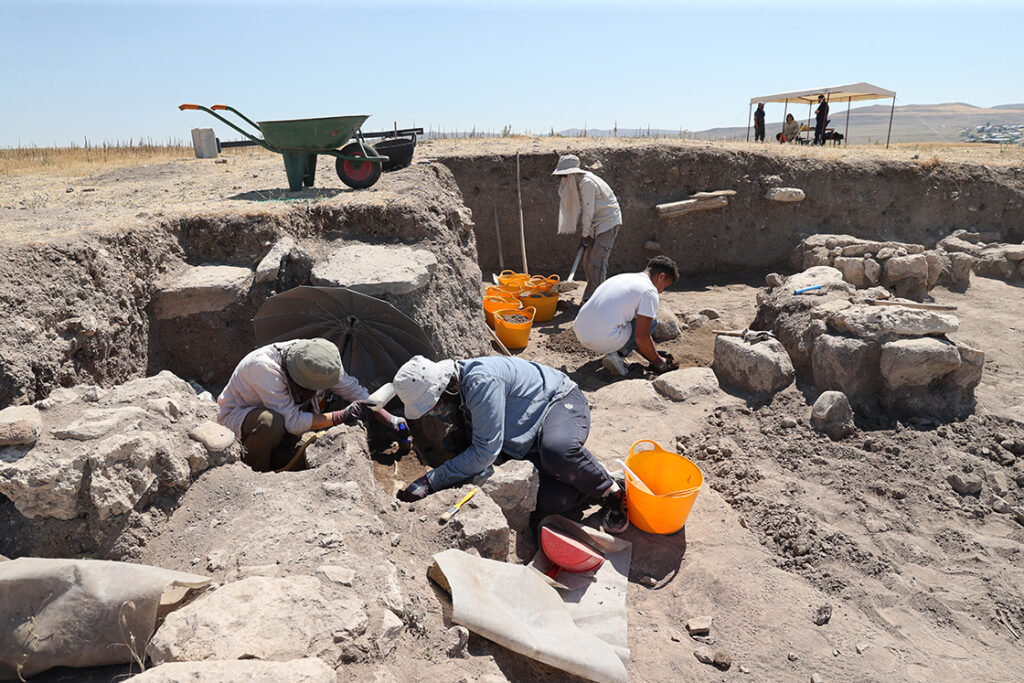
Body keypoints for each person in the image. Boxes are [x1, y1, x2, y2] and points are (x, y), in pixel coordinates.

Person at [391, 355, 629, 534]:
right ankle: (587, 474)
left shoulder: (481, 382)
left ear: (445, 387)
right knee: (553, 499)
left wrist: (431, 481)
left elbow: (485, 451)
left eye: (433, 406)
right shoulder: (456, 393)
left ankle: (611, 490)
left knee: (557, 450)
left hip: (557, 403)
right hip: (525, 434)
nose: (433, 413)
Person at [217, 338, 408, 472]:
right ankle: (254, 472)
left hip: (284, 415)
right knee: (270, 423)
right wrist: (342, 415)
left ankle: (277, 459)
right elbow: (293, 422)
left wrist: (388, 418)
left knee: (299, 455)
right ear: (301, 382)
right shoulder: (264, 369)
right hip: (240, 419)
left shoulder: (317, 358)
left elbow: (352, 389)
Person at [573, 255, 679, 377]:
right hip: (600, 339)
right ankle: (617, 356)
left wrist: (650, 354)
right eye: (664, 286)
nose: (661, 291)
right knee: (652, 322)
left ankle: (615, 350)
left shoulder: (622, 277)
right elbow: (641, 337)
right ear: (661, 277)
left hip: (580, 332)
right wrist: (659, 362)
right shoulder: (649, 291)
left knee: (632, 320)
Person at [552, 154, 622, 302]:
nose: (562, 178)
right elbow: (587, 211)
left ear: (573, 173)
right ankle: (590, 296)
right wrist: (587, 234)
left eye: (564, 175)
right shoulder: (578, 183)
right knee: (588, 260)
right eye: (561, 175)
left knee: (597, 262)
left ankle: (598, 300)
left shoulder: (586, 183)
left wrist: (585, 235)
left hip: (607, 222)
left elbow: (588, 212)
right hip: (596, 223)